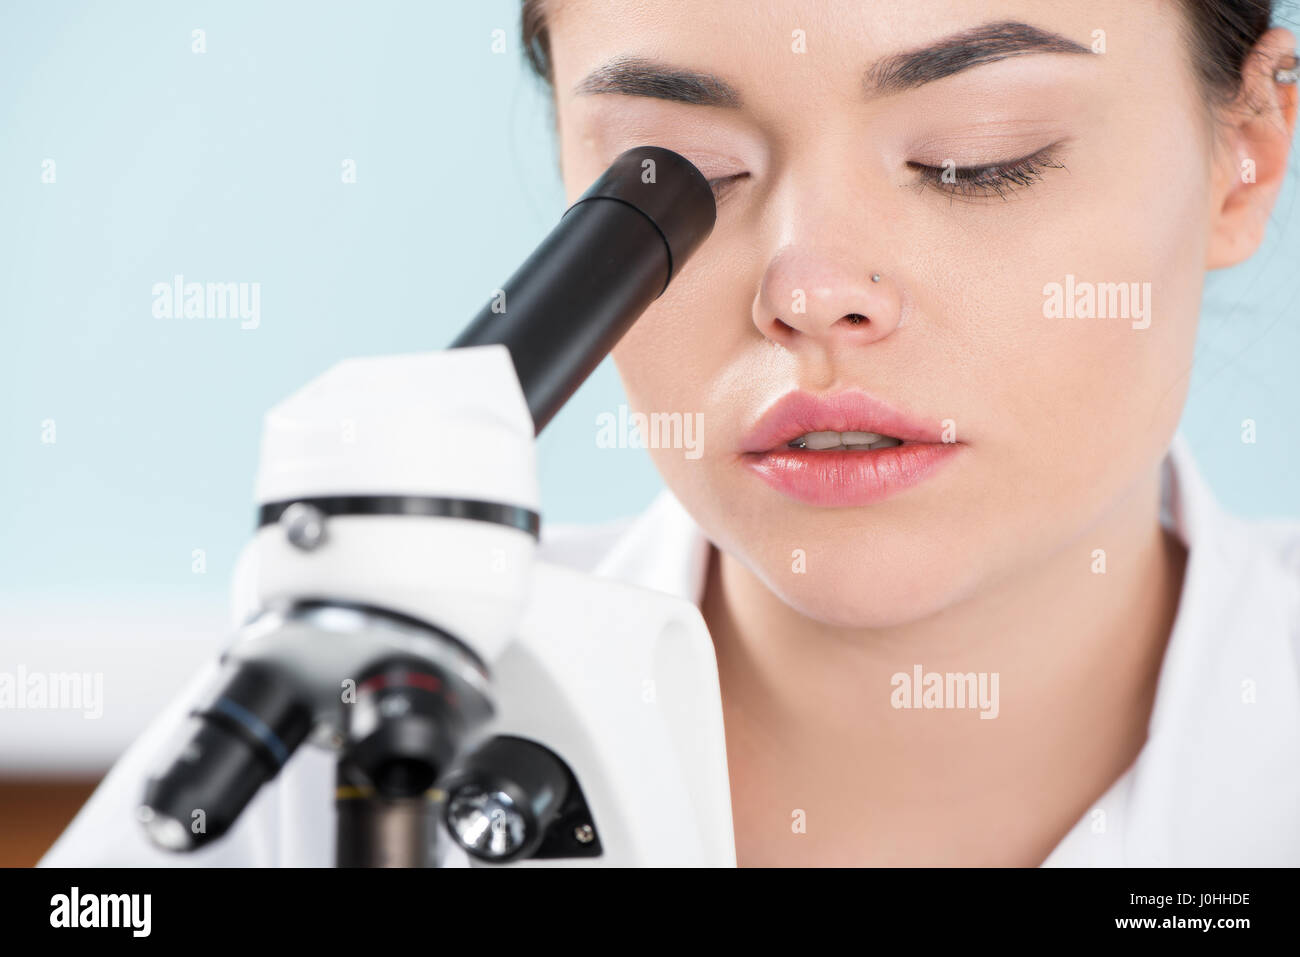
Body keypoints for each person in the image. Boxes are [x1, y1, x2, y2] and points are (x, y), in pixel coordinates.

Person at [42, 0, 1300, 867]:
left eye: (976, 160)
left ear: (1244, 155)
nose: (810, 288)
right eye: (680, 170)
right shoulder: (337, 723)